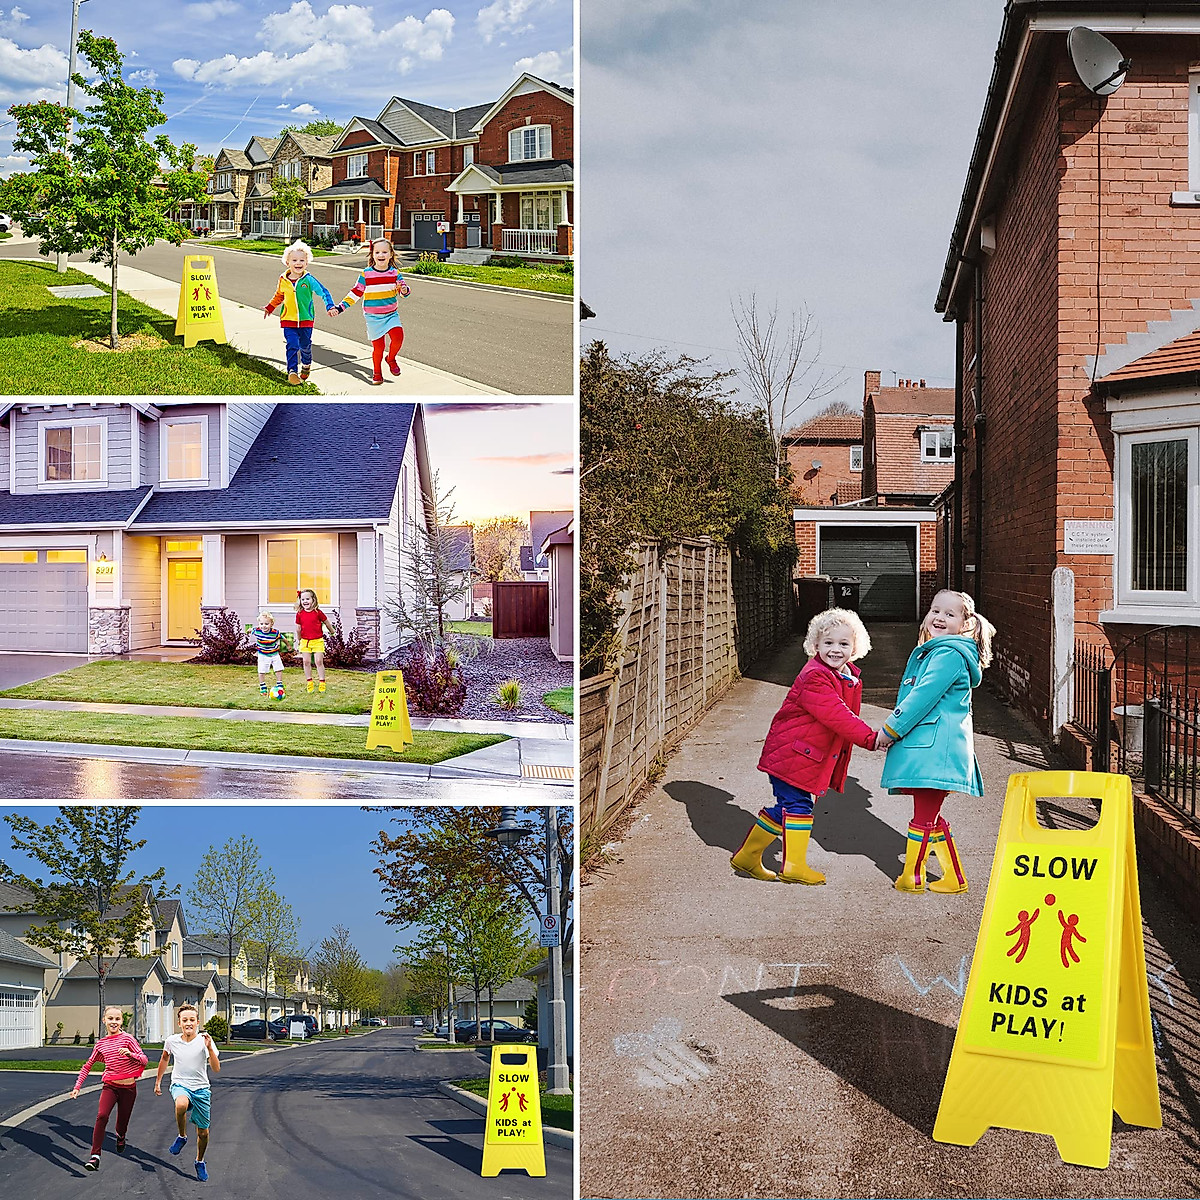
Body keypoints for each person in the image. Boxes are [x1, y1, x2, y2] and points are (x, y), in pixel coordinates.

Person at [731, 607, 887, 885]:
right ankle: (793, 866)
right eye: (828, 643)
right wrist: (870, 738)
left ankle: (748, 857)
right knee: (798, 806)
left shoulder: (845, 675)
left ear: (855, 647)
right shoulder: (815, 677)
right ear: (815, 645)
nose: (835, 650)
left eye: (843, 644)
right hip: (793, 755)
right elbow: (837, 715)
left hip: (805, 755)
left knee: (790, 806)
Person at [879, 589, 995, 894]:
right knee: (930, 814)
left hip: (935, 749)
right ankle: (954, 877)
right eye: (935, 610)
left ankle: (912, 876)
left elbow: (922, 697)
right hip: (932, 748)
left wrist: (890, 729)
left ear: (965, 624)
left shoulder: (948, 654)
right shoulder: (940, 650)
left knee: (923, 817)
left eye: (949, 614)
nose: (939, 618)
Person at [71, 1005, 148, 1172]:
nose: (114, 1022)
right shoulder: (101, 1044)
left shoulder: (128, 1039)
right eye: (110, 1018)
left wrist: (130, 1054)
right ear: (104, 1020)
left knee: (122, 1123)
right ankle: (95, 1156)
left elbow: (144, 1059)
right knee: (102, 1116)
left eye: (117, 1019)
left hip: (128, 1088)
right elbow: (87, 1066)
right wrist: (78, 1086)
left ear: (122, 1021)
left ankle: (121, 1137)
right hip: (110, 1086)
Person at [155, 1003, 221, 1183]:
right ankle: (182, 1136)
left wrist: (208, 1048)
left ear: (198, 1022)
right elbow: (164, 1059)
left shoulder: (205, 1040)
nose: (188, 1023)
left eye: (192, 1020)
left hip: (201, 1089)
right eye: (185, 1020)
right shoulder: (172, 1041)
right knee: (181, 1104)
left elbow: (216, 1069)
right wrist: (158, 1081)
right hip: (180, 1084)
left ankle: (199, 1161)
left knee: (203, 1133)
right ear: (179, 1023)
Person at [332, 237, 410, 385]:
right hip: (373, 317)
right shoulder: (366, 274)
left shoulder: (395, 273)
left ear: (391, 254)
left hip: (391, 314)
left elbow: (404, 290)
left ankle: (391, 358)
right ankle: (377, 372)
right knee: (378, 347)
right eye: (377, 252)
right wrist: (340, 307)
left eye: (385, 252)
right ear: (372, 255)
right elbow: (355, 293)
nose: (381, 255)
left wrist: (405, 290)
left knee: (398, 337)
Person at [263, 239, 337, 385]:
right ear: (287, 263)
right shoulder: (283, 279)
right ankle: (292, 372)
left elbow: (324, 292)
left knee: (305, 345)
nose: (298, 263)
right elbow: (279, 295)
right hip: (288, 319)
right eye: (294, 260)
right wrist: (270, 307)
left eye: (302, 260)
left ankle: (306, 364)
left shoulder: (309, 280)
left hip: (306, 320)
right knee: (292, 344)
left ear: (307, 263)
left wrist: (330, 306)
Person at [294, 588, 333, 693]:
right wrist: (299, 640)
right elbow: (298, 628)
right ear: (300, 601)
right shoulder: (299, 614)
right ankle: (309, 682)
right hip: (305, 641)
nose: (305, 601)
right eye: (303, 599)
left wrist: (332, 631)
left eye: (308, 599)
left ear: (313, 600)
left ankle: (322, 682)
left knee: (319, 661)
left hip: (317, 640)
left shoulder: (318, 612)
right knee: (306, 661)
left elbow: (327, 622)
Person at [252, 610, 285, 696]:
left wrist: (288, 645)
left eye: (266, 624)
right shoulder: (257, 630)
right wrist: (248, 631)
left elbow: (282, 638)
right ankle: (262, 686)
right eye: (262, 624)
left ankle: (279, 684)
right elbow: (251, 629)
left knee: (278, 668)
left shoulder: (275, 633)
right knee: (261, 670)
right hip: (263, 654)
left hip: (274, 654)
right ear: (259, 624)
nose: (264, 626)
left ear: (271, 624)